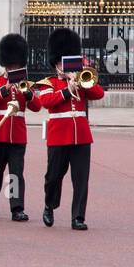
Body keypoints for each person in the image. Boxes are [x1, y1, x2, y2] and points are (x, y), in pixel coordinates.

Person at [37, 27, 104, 230]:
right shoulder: (48, 82)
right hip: (58, 137)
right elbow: (46, 101)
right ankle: (49, 205)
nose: (64, 65)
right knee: (54, 177)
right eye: (61, 62)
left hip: (82, 136)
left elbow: (99, 93)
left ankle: (78, 217)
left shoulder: (82, 80)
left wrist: (81, 83)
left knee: (81, 179)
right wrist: (67, 90)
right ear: (56, 63)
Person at [0, 34, 40, 221]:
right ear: (5, 65)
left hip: (17, 136)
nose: (14, 68)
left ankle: (16, 208)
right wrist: (4, 89)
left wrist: (28, 93)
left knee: (15, 174)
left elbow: (37, 107)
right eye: (11, 66)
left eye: (17, 65)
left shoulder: (25, 84)